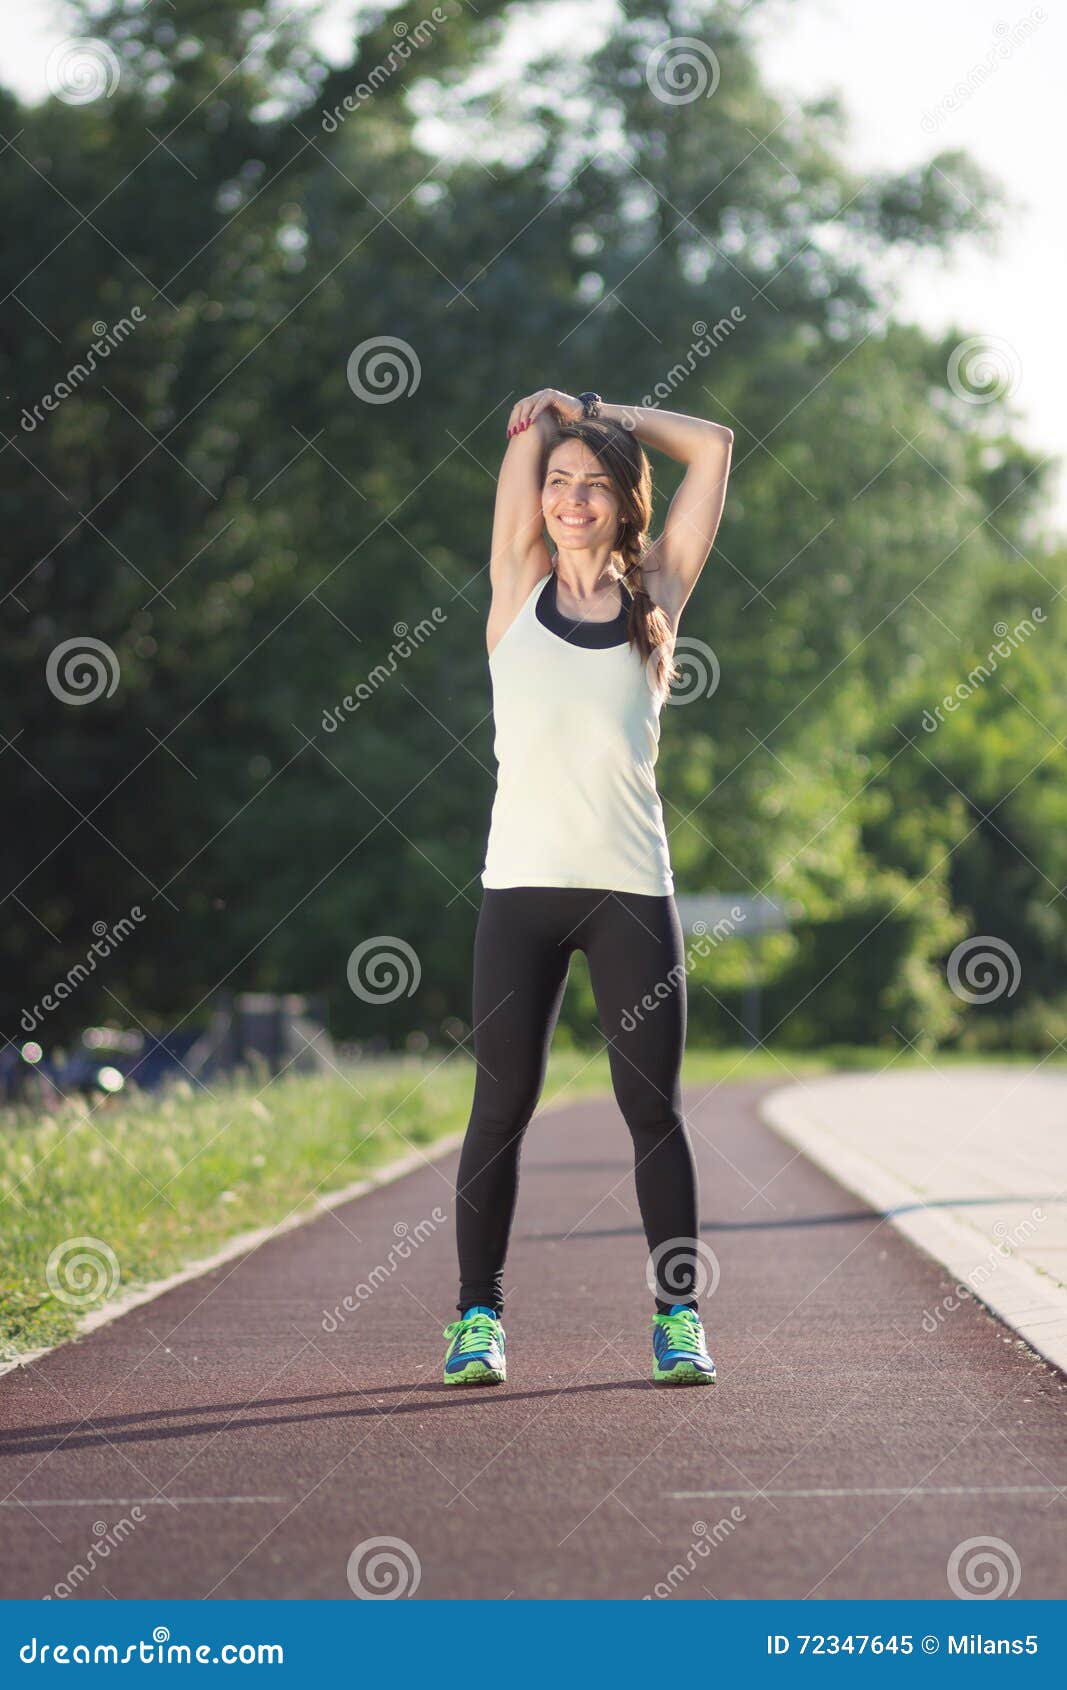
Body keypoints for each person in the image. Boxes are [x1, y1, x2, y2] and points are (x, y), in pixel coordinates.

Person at [442, 387, 733, 1388]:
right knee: (500, 1106)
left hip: (626, 893)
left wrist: (605, 409)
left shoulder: (658, 592)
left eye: (593, 485)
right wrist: (537, 424)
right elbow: (520, 464)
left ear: (621, 503)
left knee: (651, 1110)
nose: (571, 499)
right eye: (559, 483)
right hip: (516, 889)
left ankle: (677, 1318)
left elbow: (713, 443)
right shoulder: (513, 583)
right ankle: (477, 1318)